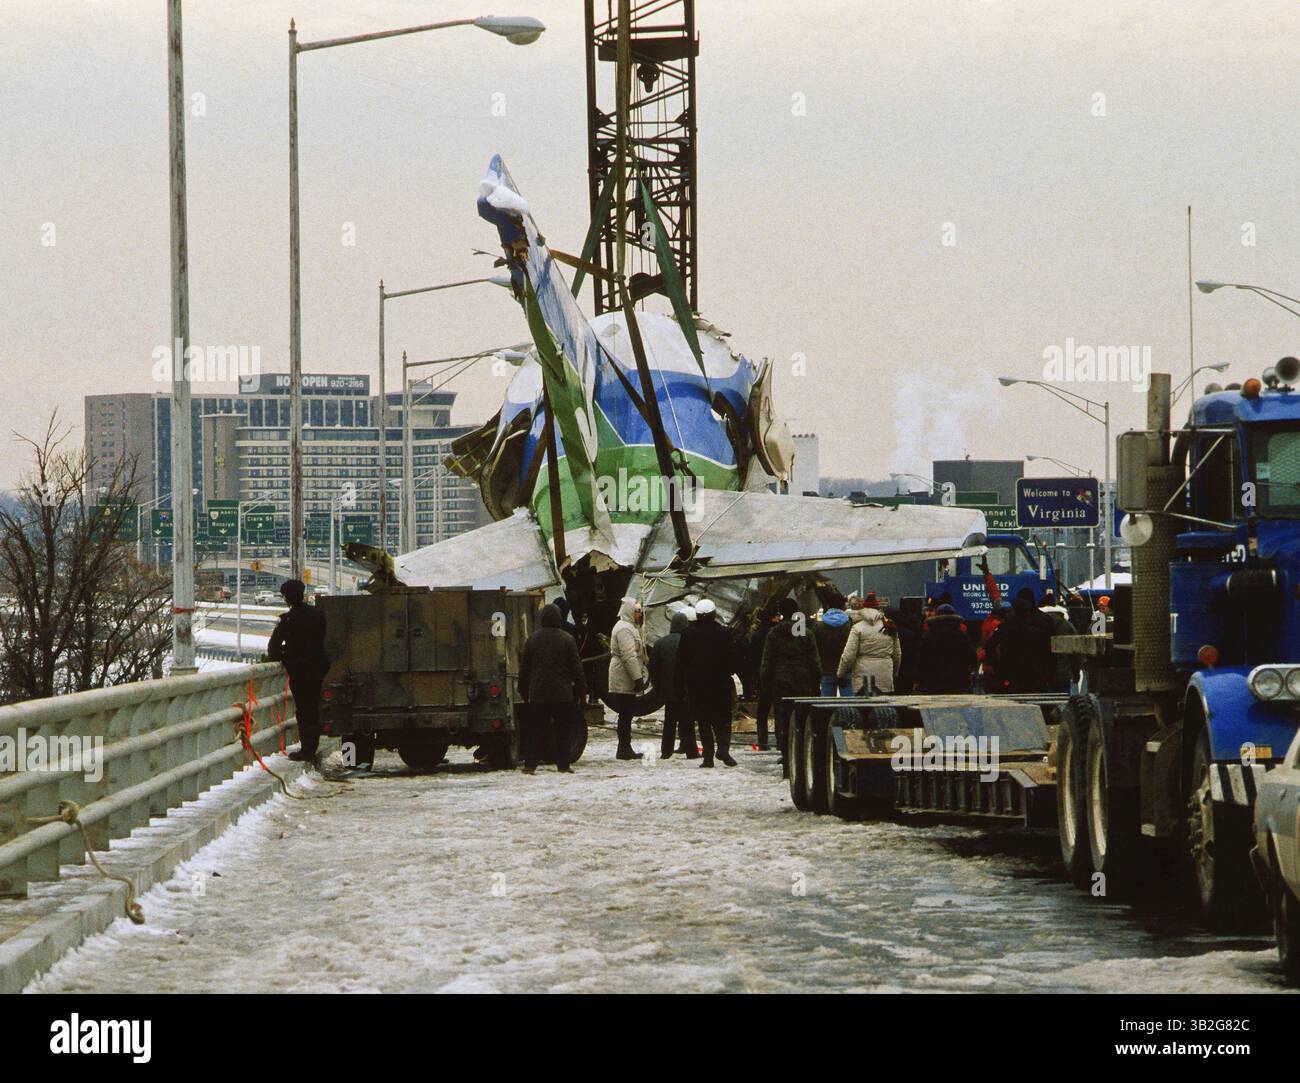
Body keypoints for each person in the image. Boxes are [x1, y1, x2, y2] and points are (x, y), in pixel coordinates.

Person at [517, 603, 587, 774]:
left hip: (538, 693)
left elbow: (524, 669)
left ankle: (529, 765)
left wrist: (523, 691)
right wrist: (582, 690)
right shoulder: (567, 639)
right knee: (564, 730)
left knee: (535, 730)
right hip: (562, 694)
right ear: (559, 618)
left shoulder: (532, 639)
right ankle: (563, 765)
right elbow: (576, 668)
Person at [267, 579, 330, 764]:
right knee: (314, 708)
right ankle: (312, 746)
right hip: (319, 668)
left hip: (300, 671)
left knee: (304, 710)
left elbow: (274, 648)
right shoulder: (318, 615)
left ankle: (307, 749)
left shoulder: (288, 619)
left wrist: (285, 655)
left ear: (286, 598)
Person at [675, 599, 738, 767]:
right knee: (723, 719)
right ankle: (723, 749)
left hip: (697, 686)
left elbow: (681, 661)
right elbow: (732, 660)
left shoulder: (687, 635)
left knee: (704, 721)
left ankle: (708, 757)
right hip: (720, 685)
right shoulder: (724, 633)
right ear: (714, 614)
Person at [759, 598, 822, 763]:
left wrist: (764, 681)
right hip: (803, 680)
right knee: (803, 716)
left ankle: (786, 753)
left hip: (780, 681)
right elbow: (814, 661)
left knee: (783, 717)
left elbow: (767, 661)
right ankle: (801, 750)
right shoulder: (806, 633)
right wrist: (816, 680)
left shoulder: (774, 633)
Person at [650, 609, 697, 759]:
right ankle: (691, 751)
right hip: (685, 690)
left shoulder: (660, 643)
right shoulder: (690, 642)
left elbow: (653, 669)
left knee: (669, 721)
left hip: (668, 691)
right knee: (687, 721)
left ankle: (666, 751)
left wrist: (658, 688)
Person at [985, 594, 1053, 693]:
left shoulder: (1006, 626)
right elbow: (1050, 649)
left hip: (1011, 673)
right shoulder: (1040, 625)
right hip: (1036, 674)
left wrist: (997, 667)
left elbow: (990, 646)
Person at [606, 596, 647, 760]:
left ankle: (625, 747)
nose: (640, 615)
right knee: (626, 713)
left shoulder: (629, 627)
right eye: (637, 612)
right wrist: (637, 678)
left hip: (625, 675)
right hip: (623, 676)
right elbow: (629, 655)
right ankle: (624, 748)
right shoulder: (624, 629)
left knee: (627, 713)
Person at [837, 604, 901, 694]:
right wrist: (894, 673)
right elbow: (897, 654)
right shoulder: (889, 627)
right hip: (884, 675)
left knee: (863, 706)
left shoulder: (857, 628)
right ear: (879, 610)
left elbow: (848, 656)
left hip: (862, 679)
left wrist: (841, 674)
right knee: (884, 707)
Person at [918, 603, 977, 693]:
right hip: (957, 678)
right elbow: (972, 657)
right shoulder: (961, 635)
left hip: (934, 679)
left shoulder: (928, 635)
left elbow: (921, 658)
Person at [749, 603, 779, 749]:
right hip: (778, 677)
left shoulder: (757, 635)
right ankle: (781, 742)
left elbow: (753, 659)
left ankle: (762, 742)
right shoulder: (778, 634)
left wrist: (754, 679)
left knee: (762, 712)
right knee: (779, 711)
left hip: (763, 678)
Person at [814, 592, 854, 696]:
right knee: (849, 707)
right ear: (843, 606)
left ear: (828, 605)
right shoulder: (850, 625)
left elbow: (815, 649)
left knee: (826, 708)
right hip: (847, 670)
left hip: (826, 670)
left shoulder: (819, 626)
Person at [1039, 597, 1081, 693]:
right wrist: (1076, 672)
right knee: (1063, 703)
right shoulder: (1067, 625)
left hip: (1042, 674)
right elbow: (1076, 651)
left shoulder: (1037, 623)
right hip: (1063, 674)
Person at [887, 607, 922, 693]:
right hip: (907, 673)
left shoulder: (886, 634)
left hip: (889, 672)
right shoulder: (909, 634)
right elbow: (915, 656)